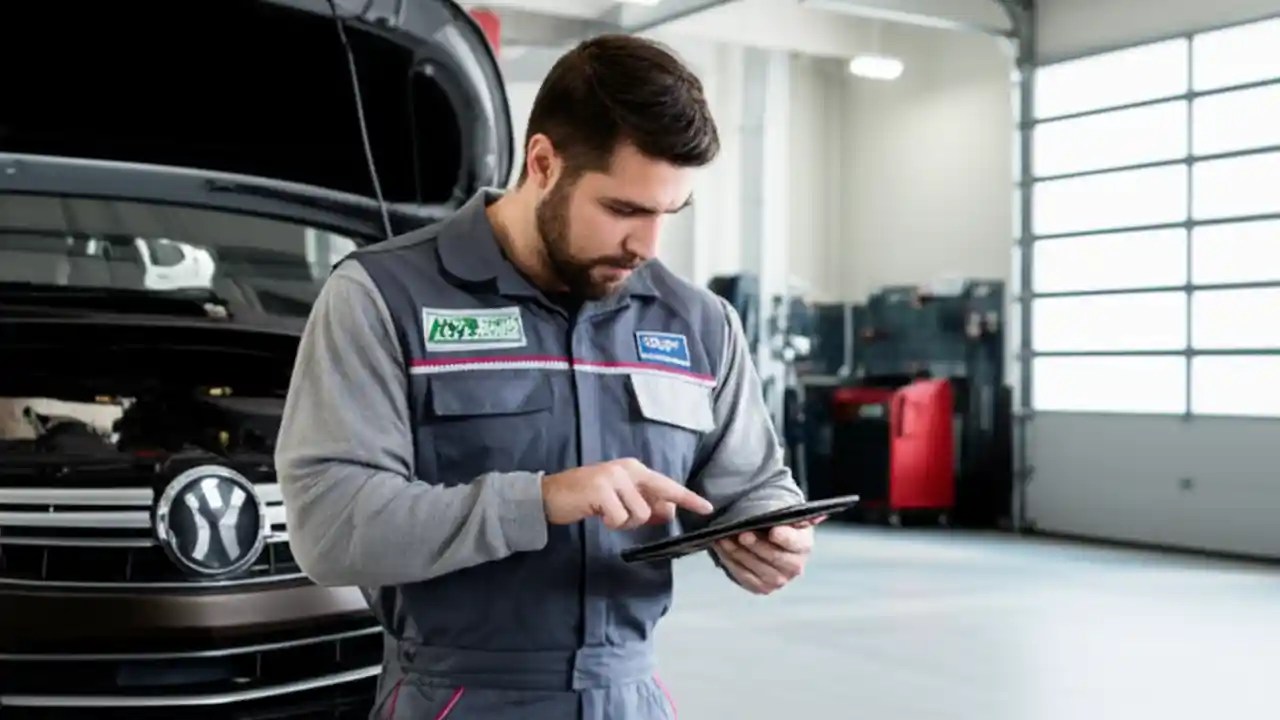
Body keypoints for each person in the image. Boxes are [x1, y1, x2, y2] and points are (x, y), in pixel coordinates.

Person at [275, 33, 820, 720]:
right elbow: (330, 529)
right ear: (542, 162)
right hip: (457, 695)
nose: (646, 247)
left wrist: (770, 531)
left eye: (666, 214)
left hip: (630, 694)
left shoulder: (699, 322)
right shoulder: (385, 296)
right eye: (623, 209)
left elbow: (754, 483)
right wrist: (542, 499)